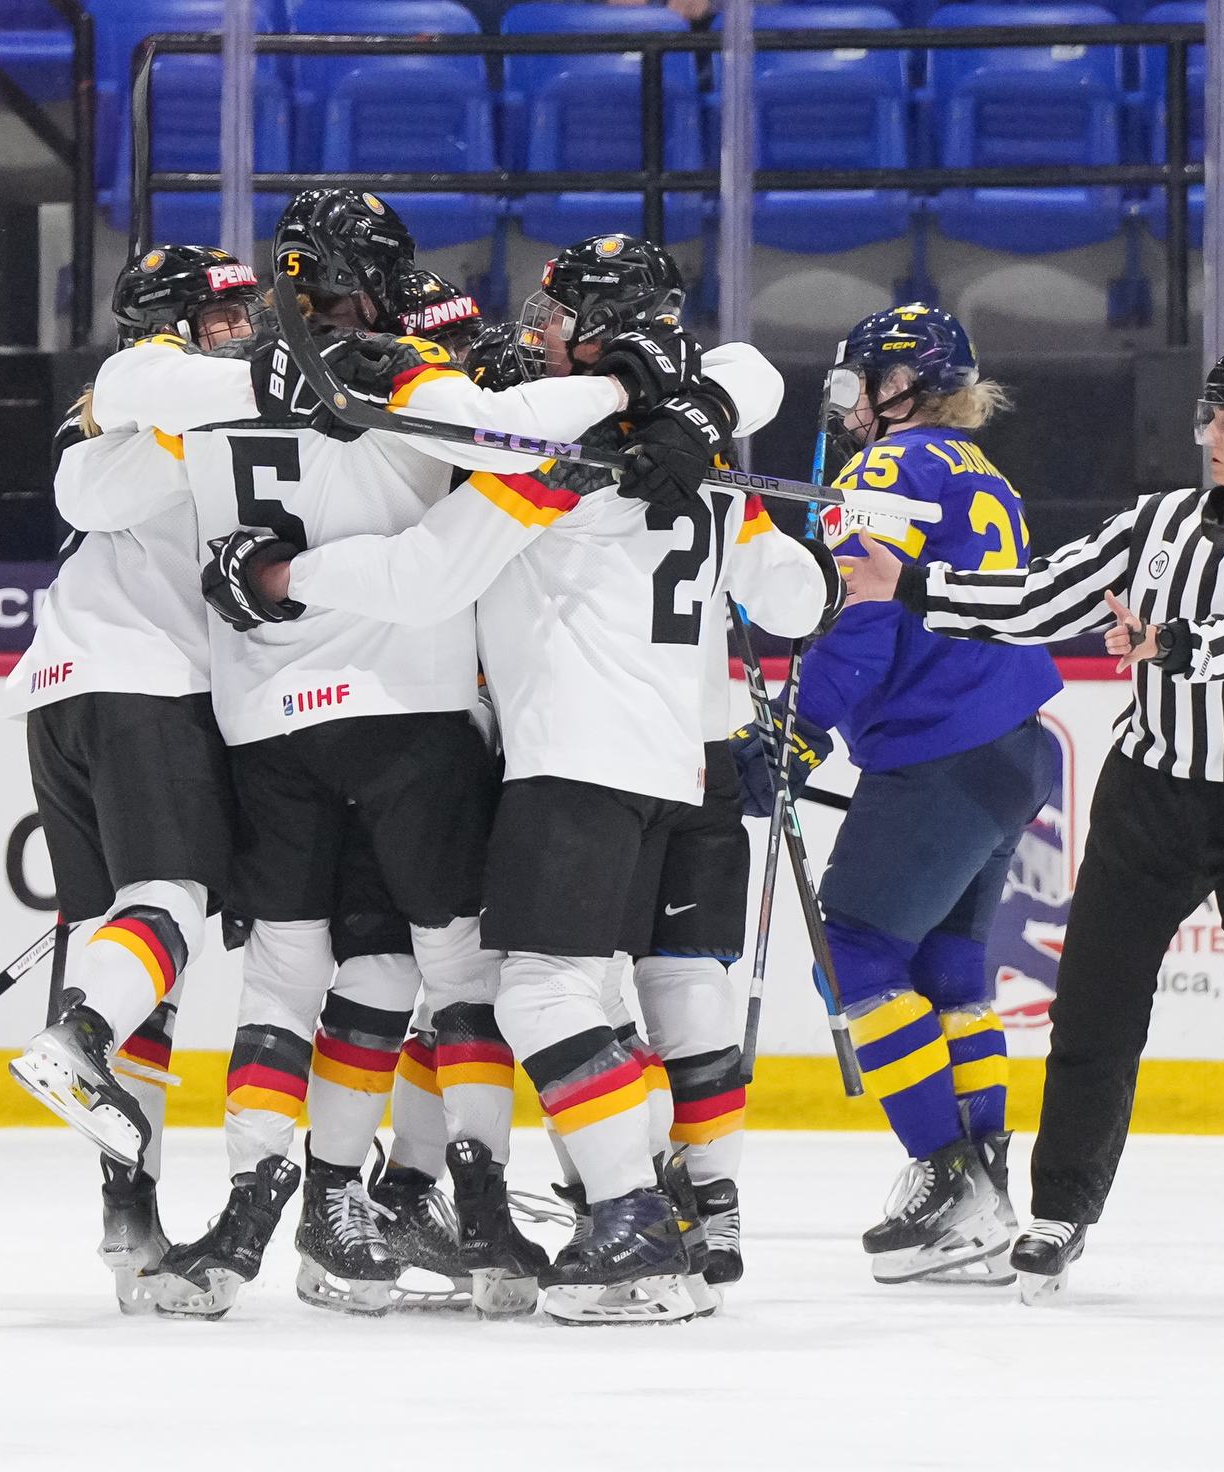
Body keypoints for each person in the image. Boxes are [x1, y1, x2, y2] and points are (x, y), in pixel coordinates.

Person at [219, 234, 828, 1322]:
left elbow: (420, 575)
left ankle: (630, 1222)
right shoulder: (698, 465)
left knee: (537, 990)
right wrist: (818, 554)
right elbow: (793, 603)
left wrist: (281, 572)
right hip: (674, 763)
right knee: (608, 991)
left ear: (599, 332)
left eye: (554, 318)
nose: (535, 332)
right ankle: (664, 1211)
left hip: (571, 758)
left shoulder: (560, 460)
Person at [110, 198, 696, 1320]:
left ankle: (253, 1216)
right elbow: (492, 448)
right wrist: (643, 387)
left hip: (265, 715)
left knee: (291, 972)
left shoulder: (199, 384)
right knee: (455, 969)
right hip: (408, 708)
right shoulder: (409, 374)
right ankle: (474, 1206)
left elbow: (104, 442)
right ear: (372, 277)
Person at [840, 344, 1224, 1309]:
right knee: (1092, 1016)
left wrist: (1171, 642)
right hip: (1149, 799)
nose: (1210, 436)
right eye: (1211, 418)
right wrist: (912, 590)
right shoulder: (1158, 522)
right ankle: (1061, 1209)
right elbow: (1043, 595)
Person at [730, 304, 1062, 1287]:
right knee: (948, 959)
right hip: (1008, 745)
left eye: (859, 380)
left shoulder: (880, 470)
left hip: (940, 747)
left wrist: (801, 723)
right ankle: (984, 1189)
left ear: (898, 383)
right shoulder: (972, 466)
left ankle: (946, 1174)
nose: (847, 401)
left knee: (860, 947)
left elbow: (863, 614)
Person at [3, 244, 263, 1311]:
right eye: (225, 314)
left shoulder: (120, 414)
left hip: (59, 686)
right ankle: (75, 1033)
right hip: (145, 687)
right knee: (169, 903)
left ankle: (130, 1217)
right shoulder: (186, 405)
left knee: (139, 948)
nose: (245, 328)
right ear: (168, 325)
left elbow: (87, 479)